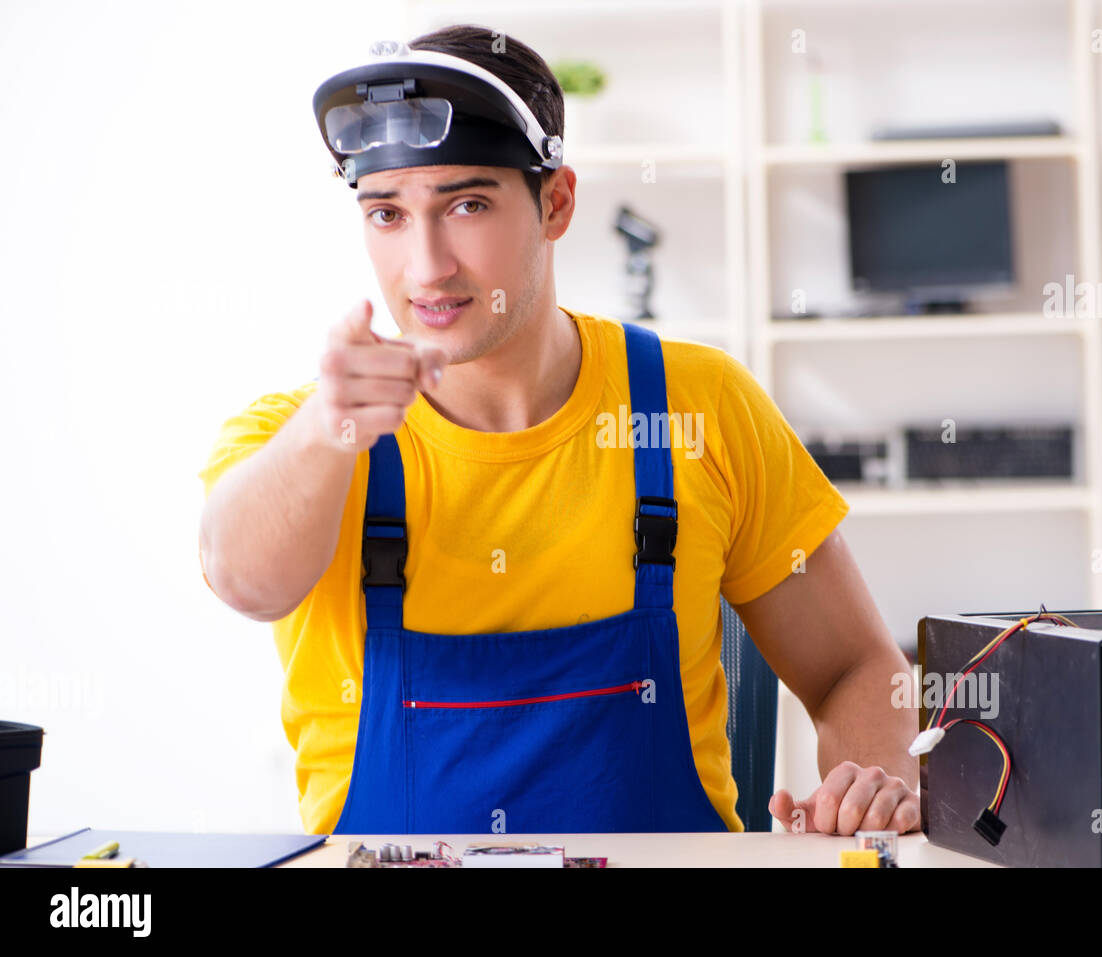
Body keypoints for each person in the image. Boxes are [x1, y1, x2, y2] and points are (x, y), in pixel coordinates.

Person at [197, 23, 920, 836]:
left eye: (467, 204)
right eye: (388, 213)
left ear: (557, 203)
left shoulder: (700, 407)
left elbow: (856, 668)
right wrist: (324, 435)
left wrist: (873, 791)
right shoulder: (302, 436)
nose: (427, 265)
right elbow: (243, 578)